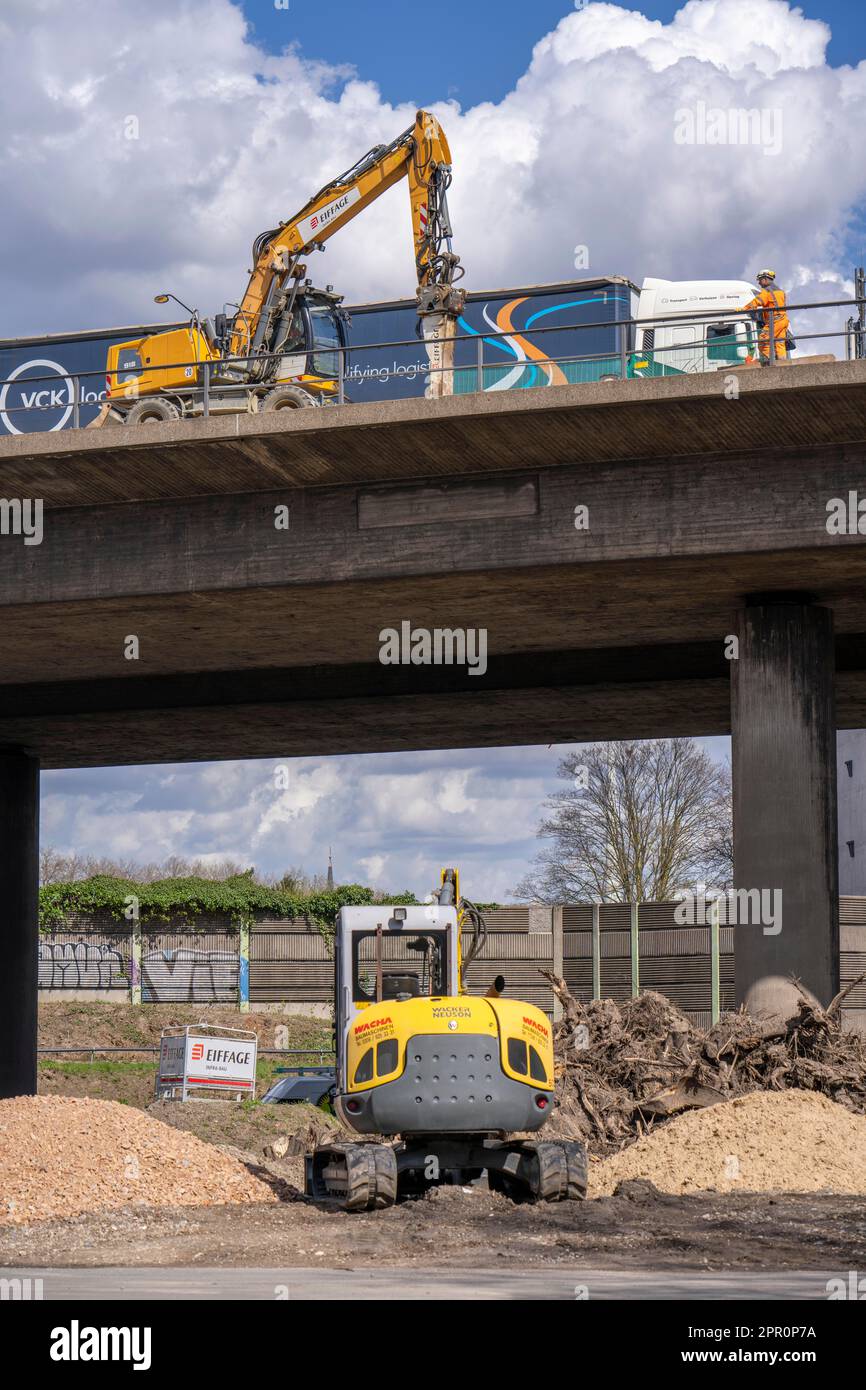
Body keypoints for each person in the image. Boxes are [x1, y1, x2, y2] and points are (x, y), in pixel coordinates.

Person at [745, 269, 790, 363]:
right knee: (779, 343)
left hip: (774, 321)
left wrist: (744, 308)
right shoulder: (781, 292)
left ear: (765, 279)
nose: (759, 282)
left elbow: (757, 301)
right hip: (783, 320)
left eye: (760, 280)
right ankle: (783, 363)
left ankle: (768, 363)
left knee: (763, 341)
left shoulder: (767, 291)